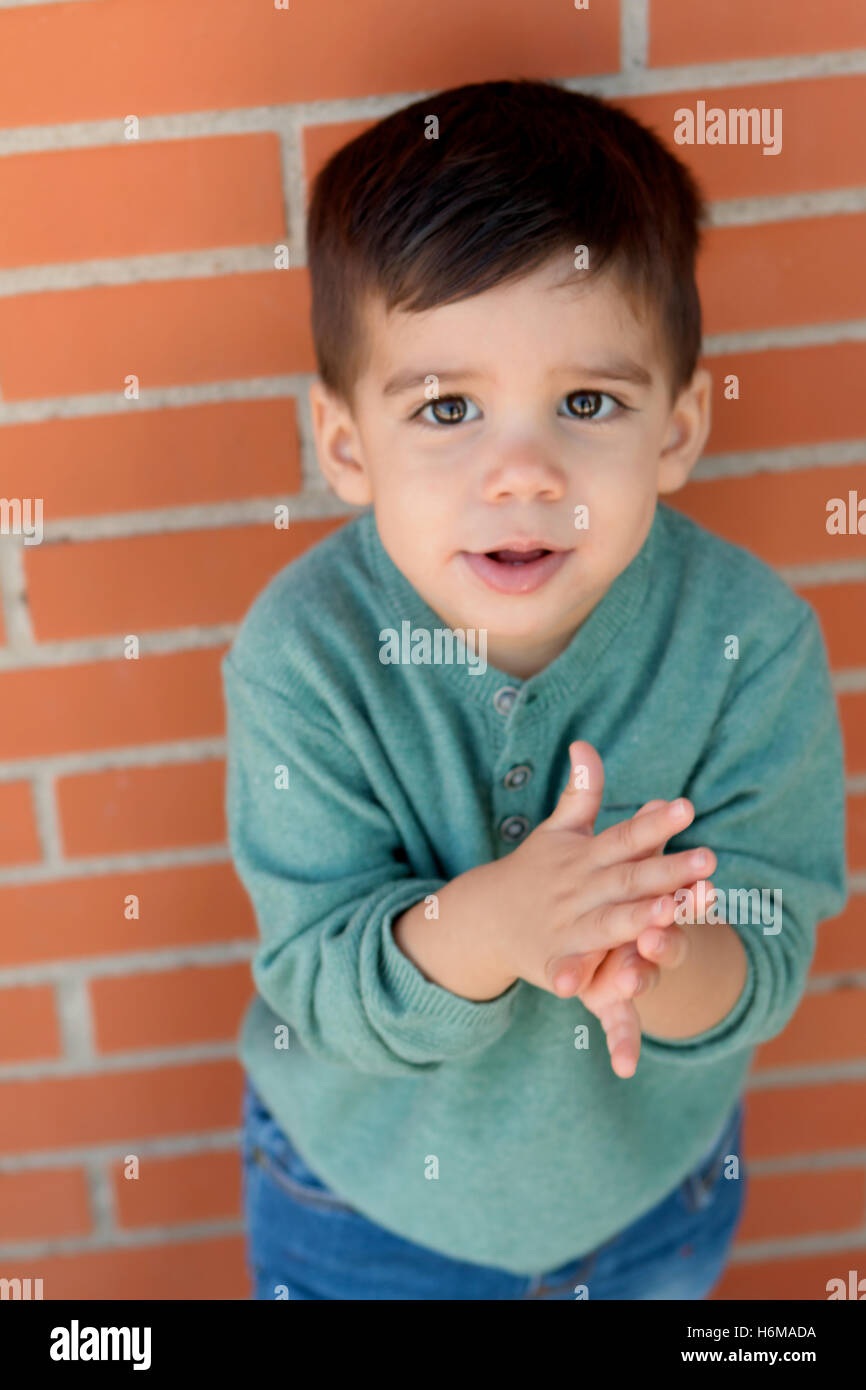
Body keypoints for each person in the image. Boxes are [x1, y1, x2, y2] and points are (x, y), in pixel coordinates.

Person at [221, 79, 847, 1300]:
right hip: (366, 1206)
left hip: (648, 1198)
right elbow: (316, 975)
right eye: (446, 407)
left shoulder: (748, 643)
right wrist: (501, 924)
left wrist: (659, 955)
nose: (519, 472)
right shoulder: (306, 654)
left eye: (586, 402)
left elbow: (771, 936)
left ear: (674, 427)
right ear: (346, 444)